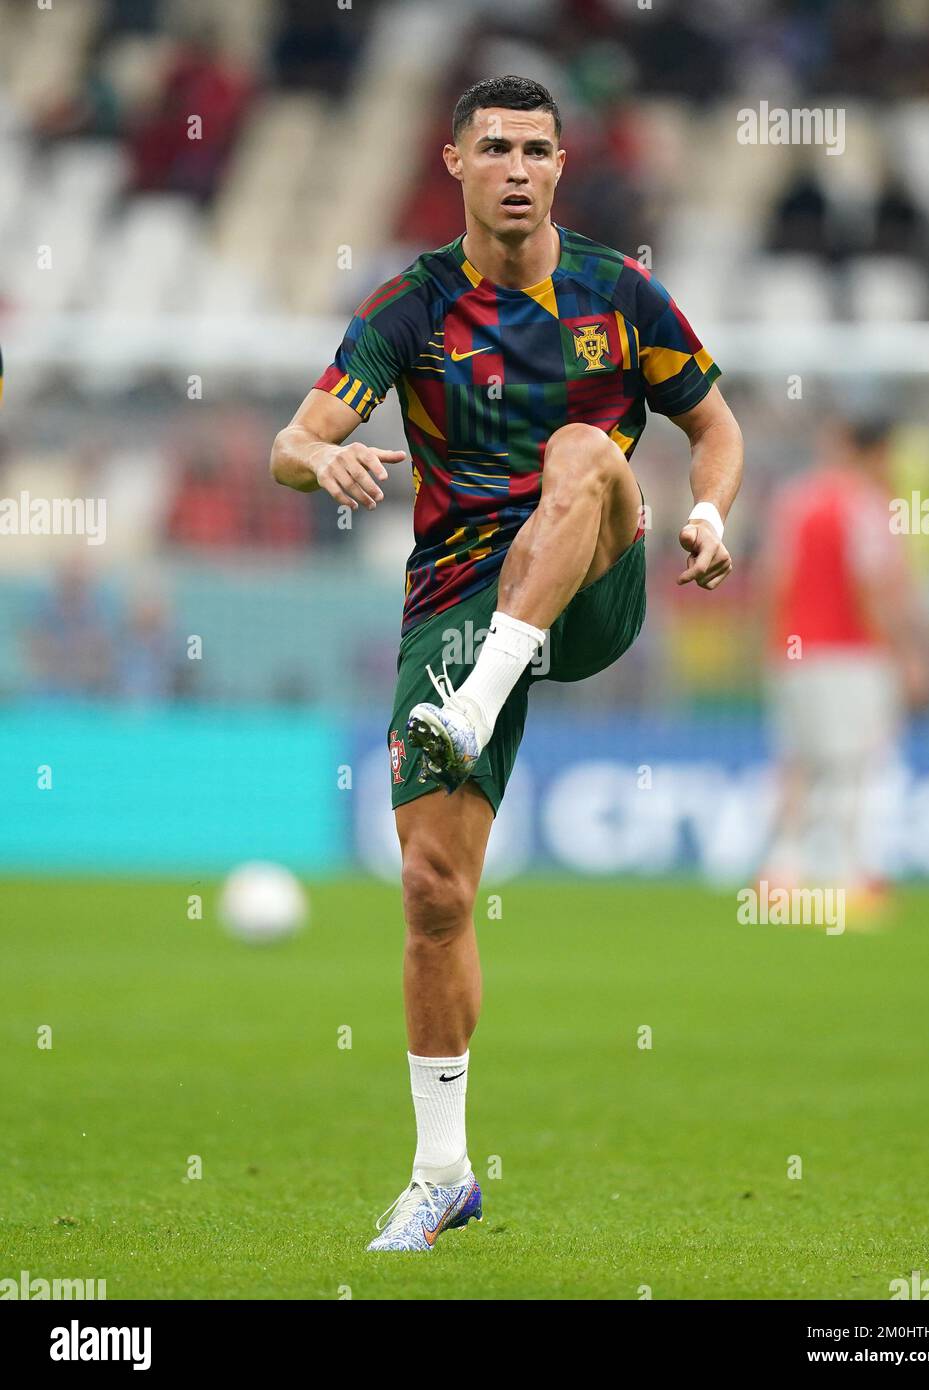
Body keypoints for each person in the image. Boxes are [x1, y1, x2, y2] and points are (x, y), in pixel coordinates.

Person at [270, 75, 743, 1251]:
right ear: (454, 164)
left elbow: (714, 428)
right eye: (496, 148)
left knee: (582, 446)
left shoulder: (618, 294)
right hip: (455, 591)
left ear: (560, 167)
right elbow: (293, 437)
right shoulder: (410, 306)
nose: (518, 167)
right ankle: (441, 1173)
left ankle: (478, 702)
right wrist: (314, 464)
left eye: (537, 147)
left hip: (595, 570)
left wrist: (712, 512)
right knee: (432, 893)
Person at [757, 414, 929, 900]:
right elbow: (875, 584)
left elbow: (770, 580)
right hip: (851, 654)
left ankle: (782, 871)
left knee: (799, 761)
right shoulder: (866, 504)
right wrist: (910, 653)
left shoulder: (793, 499)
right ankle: (844, 877)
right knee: (850, 763)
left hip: (793, 651)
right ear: (878, 452)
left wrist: (775, 644)